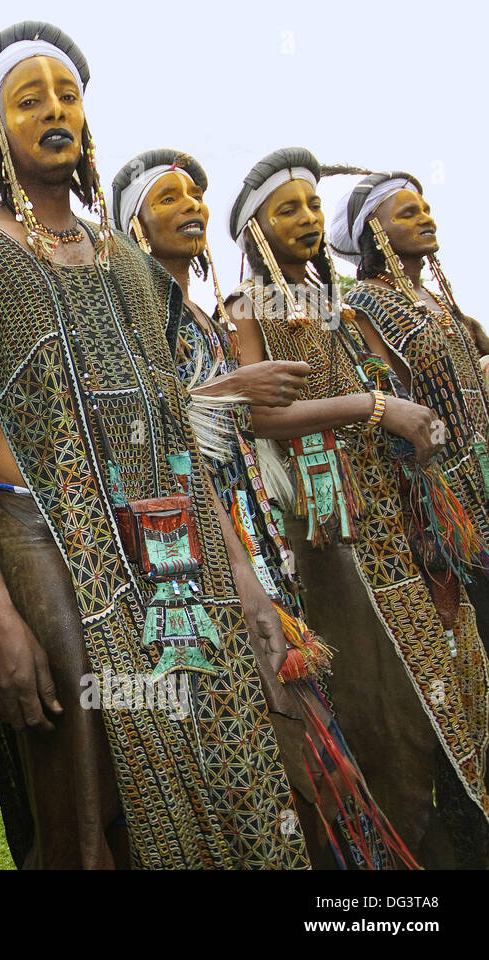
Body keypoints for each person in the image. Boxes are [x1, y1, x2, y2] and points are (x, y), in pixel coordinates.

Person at [0, 21, 305, 869]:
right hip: (40, 541)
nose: (55, 110)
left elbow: (174, 430)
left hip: (166, 543)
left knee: (224, 759)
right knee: (87, 805)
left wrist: (241, 577)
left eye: (69, 94)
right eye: (28, 98)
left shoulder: (130, 263)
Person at [113, 148, 416, 868]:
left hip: (254, 536)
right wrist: (235, 392)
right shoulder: (136, 318)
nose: (192, 206)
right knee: (274, 758)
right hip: (201, 559)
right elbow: (139, 430)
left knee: (309, 751)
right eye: (169, 199)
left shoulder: (198, 318)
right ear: (132, 229)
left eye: (196, 195)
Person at [226, 147, 489, 867]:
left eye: (313, 205)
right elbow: (257, 418)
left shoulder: (335, 304)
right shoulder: (248, 306)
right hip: (334, 542)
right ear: (255, 231)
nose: (307, 218)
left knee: (446, 704)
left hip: (399, 528)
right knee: (386, 718)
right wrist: (374, 406)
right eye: (288, 209)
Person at [332, 172, 489, 647]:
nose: (425, 217)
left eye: (424, 208)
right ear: (373, 234)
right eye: (407, 212)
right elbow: (385, 395)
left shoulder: (435, 299)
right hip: (441, 489)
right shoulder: (363, 303)